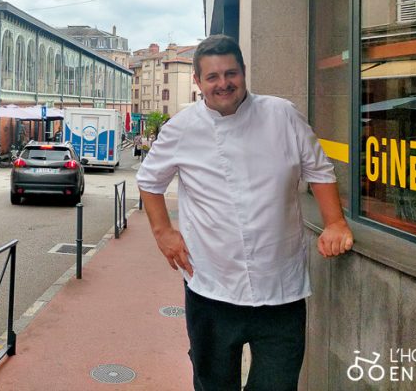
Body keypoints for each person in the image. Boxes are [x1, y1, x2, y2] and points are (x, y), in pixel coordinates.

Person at [136, 35, 353, 391]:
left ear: (244, 72)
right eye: (212, 77)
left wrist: (335, 223)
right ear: (198, 81)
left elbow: (318, 169)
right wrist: (163, 233)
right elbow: (149, 180)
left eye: (231, 73)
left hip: (280, 289)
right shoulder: (181, 128)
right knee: (213, 385)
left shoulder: (282, 114)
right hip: (211, 286)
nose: (223, 83)